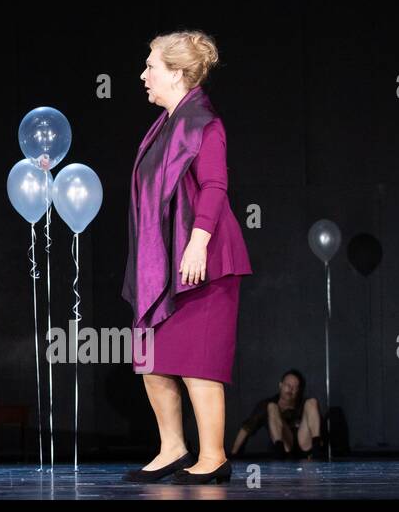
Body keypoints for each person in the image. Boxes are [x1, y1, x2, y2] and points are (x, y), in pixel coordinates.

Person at [121, 31, 252, 485]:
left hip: (204, 259)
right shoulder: (165, 125)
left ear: (176, 73)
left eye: (150, 66)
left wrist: (197, 241)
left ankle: (213, 456)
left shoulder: (203, 123)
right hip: (163, 263)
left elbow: (214, 185)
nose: (143, 75)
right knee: (152, 359)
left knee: (198, 361)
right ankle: (173, 447)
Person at [232, 368, 326, 460]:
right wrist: (233, 455)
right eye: (288, 385)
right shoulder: (268, 404)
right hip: (284, 448)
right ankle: (279, 451)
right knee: (272, 406)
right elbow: (246, 428)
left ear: (299, 390)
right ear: (280, 385)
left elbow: (319, 426)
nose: (290, 389)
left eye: (295, 387)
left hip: (305, 445)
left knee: (312, 402)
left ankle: (317, 449)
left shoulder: (303, 404)